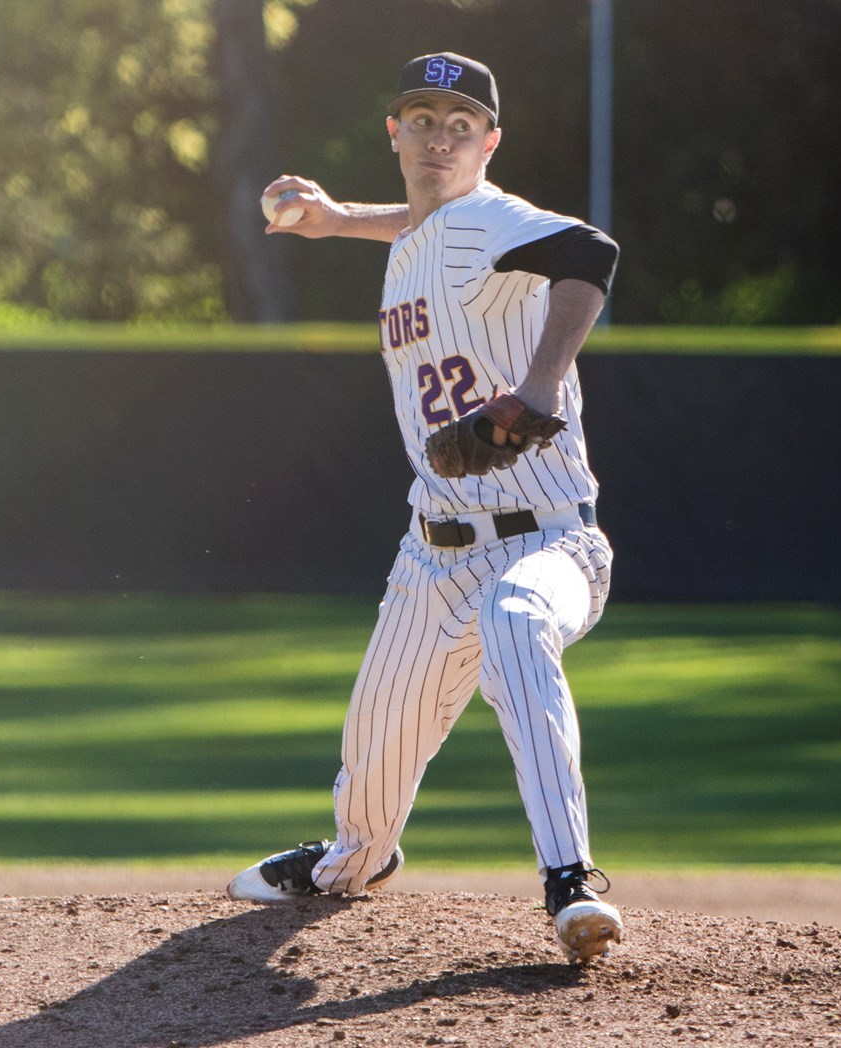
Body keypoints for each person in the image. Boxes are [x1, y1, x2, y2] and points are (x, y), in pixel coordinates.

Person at [226, 52, 623, 965]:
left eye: (459, 123)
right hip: (431, 555)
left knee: (516, 622)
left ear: (489, 142)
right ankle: (353, 862)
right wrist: (332, 222)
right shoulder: (424, 232)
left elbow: (590, 255)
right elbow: (422, 220)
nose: (439, 136)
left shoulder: (492, 217)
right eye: (422, 119)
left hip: (550, 539)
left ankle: (570, 882)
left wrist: (534, 387)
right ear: (394, 134)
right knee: (372, 754)